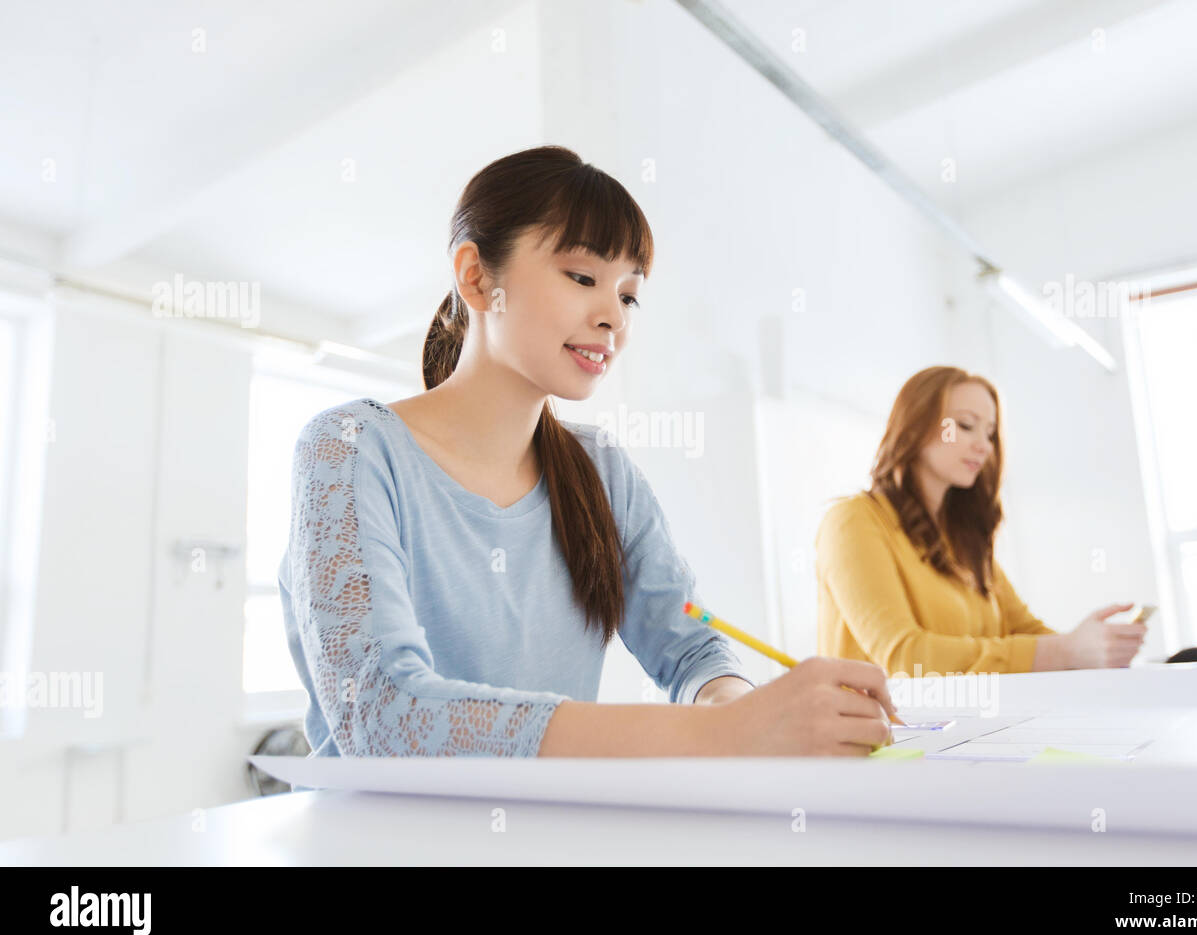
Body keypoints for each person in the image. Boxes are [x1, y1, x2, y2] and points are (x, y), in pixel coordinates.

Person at [279, 145, 896, 761]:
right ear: (475, 276)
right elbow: (383, 716)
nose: (613, 318)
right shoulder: (351, 449)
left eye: (628, 295)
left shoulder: (601, 472)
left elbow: (694, 651)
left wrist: (752, 711)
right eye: (582, 278)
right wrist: (725, 734)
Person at [815, 365, 1147, 675]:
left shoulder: (961, 539)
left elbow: (1025, 631)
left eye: (989, 433)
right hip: (882, 734)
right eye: (965, 425)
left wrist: (1092, 649)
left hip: (969, 729)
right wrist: (1066, 653)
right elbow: (905, 658)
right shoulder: (853, 521)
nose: (984, 446)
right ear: (915, 426)